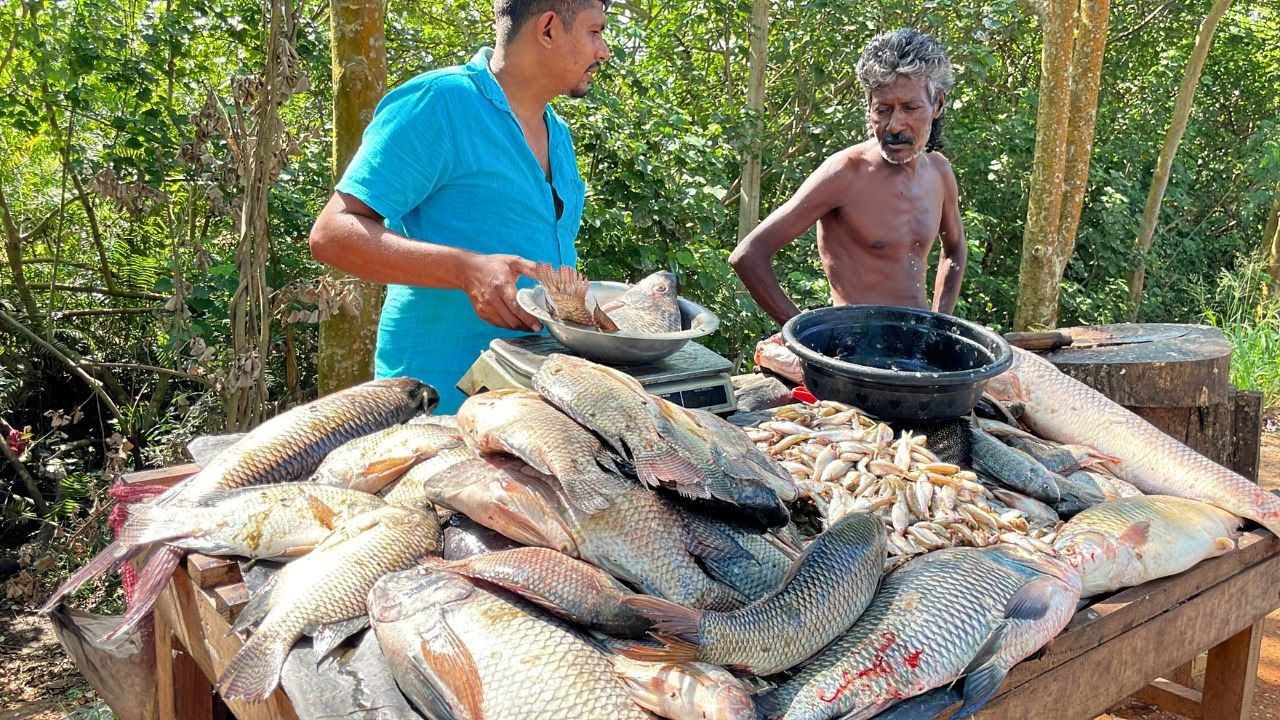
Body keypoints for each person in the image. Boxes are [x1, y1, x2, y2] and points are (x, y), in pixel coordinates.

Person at [309, 0, 610, 412]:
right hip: (434, 404)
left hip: (531, 406)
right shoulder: (438, 104)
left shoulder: (557, 133)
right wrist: (465, 270)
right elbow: (332, 235)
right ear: (548, 29)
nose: (604, 50)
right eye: (595, 31)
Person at [729, 28, 967, 325]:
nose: (895, 125)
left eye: (910, 108)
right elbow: (748, 255)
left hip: (914, 348)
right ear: (869, 110)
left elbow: (955, 250)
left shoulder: (940, 172)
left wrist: (939, 324)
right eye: (883, 109)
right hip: (854, 347)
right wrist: (807, 335)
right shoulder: (845, 173)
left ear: (938, 105)